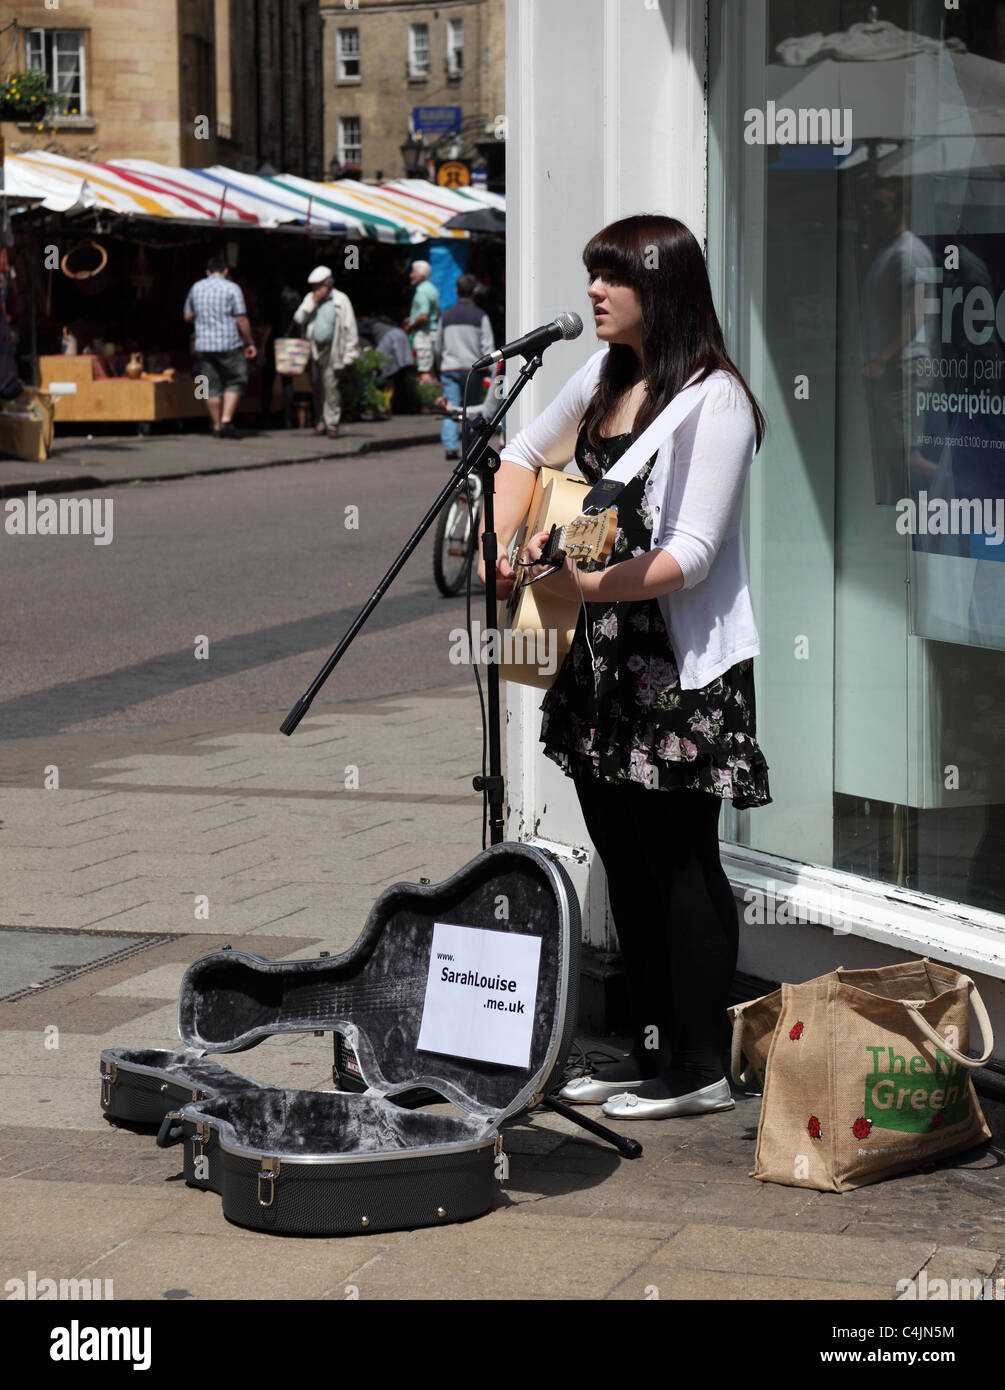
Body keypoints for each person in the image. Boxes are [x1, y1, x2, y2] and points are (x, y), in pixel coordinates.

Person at [482, 214, 771, 1120]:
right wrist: (503, 543)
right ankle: (644, 1051)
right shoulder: (607, 375)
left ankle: (699, 1067)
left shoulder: (712, 399)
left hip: (673, 666)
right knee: (621, 856)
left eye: (613, 278)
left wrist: (582, 580)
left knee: (681, 861)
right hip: (596, 657)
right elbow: (524, 453)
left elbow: (689, 552)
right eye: (591, 275)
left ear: (665, 289)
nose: (595, 293)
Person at [183, 255, 257, 439]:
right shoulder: (232, 288)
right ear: (226, 271)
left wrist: (203, 317)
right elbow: (241, 317)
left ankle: (215, 426)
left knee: (209, 385)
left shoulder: (196, 287)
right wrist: (249, 342)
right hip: (229, 343)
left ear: (207, 272)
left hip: (204, 344)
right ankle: (226, 421)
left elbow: (187, 317)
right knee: (236, 380)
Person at [293, 266, 360, 437]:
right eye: (314, 286)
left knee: (331, 386)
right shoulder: (310, 299)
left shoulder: (341, 300)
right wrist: (313, 302)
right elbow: (299, 318)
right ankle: (319, 422)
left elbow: (350, 327)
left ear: (328, 284)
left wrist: (350, 353)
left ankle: (332, 424)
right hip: (314, 349)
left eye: (319, 286)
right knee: (317, 386)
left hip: (333, 349)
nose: (316, 289)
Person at [436, 273, 494, 458]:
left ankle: (450, 446)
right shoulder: (480, 316)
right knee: (473, 409)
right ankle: (472, 445)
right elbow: (488, 346)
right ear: (475, 291)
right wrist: (493, 371)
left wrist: (440, 365)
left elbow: (438, 345)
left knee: (450, 407)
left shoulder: (446, 315)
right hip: (473, 369)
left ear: (456, 290)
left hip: (450, 367)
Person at [404, 260, 440, 381]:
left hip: (424, 334)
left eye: (413, 272)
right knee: (431, 370)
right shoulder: (432, 289)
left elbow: (423, 316)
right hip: (433, 332)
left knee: (424, 370)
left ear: (421, 274)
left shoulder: (422, 291)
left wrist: (410, 326)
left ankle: (426, 397)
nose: (411, 275)